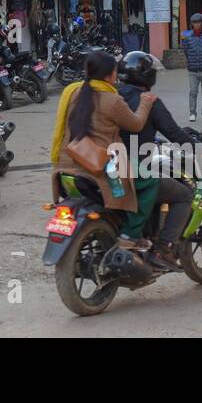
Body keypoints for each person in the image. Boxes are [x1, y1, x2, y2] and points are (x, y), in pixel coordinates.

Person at [48, 50, 157, 254]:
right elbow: (135, 125)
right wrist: (145, 103)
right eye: (115, 71)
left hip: (65, 164)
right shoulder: (111, 100)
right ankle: (131, 235)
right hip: (97, 168)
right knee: (150, 179)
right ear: (109, 75)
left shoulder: (73, 92)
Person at [116, 51, 195, 271]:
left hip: (108, 166)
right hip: (134, 169)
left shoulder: (112, 95)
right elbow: (173, 132)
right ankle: (164, 248)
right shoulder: (149, 100)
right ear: (148, 77)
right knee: (184, 194)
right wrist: (199, 149)